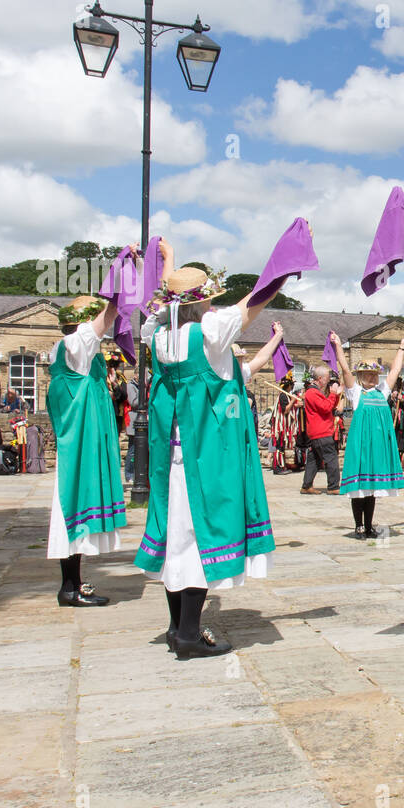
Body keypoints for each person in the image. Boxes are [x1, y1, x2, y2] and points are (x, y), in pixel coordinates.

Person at [136, 246, 278, 659]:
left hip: (172, 453)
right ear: (204, 302)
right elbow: (250, 305)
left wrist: (168, 266)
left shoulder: (159, 337)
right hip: (203, 456)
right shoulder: (209, 336)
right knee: (198, 538)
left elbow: (159, 314)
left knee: (175, 538)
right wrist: (280, 272)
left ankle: (176, 626)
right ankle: (189, 635)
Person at [46, 289, 134, 607]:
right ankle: (70, 588)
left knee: (74, 505)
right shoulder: (75, 346)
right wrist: (123, 286)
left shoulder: (68, 349)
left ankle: (73, 584)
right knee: (75, 503)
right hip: (80, 442)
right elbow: (106, 319)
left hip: (81, 438)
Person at [329, 334, 404, 537]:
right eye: (367, 374)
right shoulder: (355, 392)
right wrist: (338, 344)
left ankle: (369, 524)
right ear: (360, 376)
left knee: (372, 489)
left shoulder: (382, 391)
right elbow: (345, 369)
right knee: (359, 488)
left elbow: (396, 370)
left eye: (374, 374)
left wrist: (402, 348)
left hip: (378, 446)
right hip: (361, 444)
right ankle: (358, 525)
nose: (372, 377)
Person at [300, 362, 342, 494]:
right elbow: (326, 408)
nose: (328, 380)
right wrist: (333, 393)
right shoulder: (312, 392)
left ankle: (306, 486)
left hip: (316, 432)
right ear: (320, 378)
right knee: (331, 458)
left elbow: (329, 405)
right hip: (321, 431)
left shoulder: (314, 392)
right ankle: (334, 487)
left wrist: (336, 395)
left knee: (314, 460)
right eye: (327, 378)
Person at [268, 374, 301, 474]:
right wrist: (293, 401)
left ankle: (281, 466)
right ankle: (277, 468)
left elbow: (290, 407)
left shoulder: (285, 395)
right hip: (280, 427)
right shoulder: (283, 395)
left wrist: (295, 404)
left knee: (281, 446)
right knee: (278, 446)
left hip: (283, 427)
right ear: (289, 385)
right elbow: (285, 410)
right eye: (292, 385)